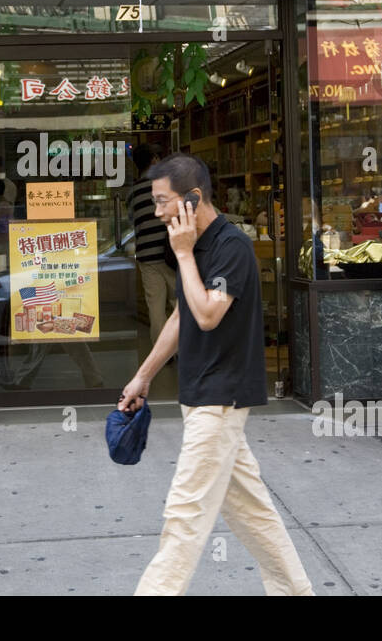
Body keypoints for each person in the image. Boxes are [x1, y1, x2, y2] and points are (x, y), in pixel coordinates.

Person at [119, 154, 313, 596]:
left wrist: (184, 254)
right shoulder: (197, 246)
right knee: (253, 512)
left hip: (220, 399)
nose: (157, 212)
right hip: (201, 394)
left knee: (184, 514)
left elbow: (206, 314)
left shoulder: (231, 248)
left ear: (193, 198)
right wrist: (144, 376)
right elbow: (180, 318)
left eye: (163, 201)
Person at [128, 144, 174, 347]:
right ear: (155, 160)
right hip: (170, 254)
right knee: (179, 304)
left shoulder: (133, 192)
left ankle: (164, 353)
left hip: (146, 256)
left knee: (155, 308)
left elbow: (133, 220)